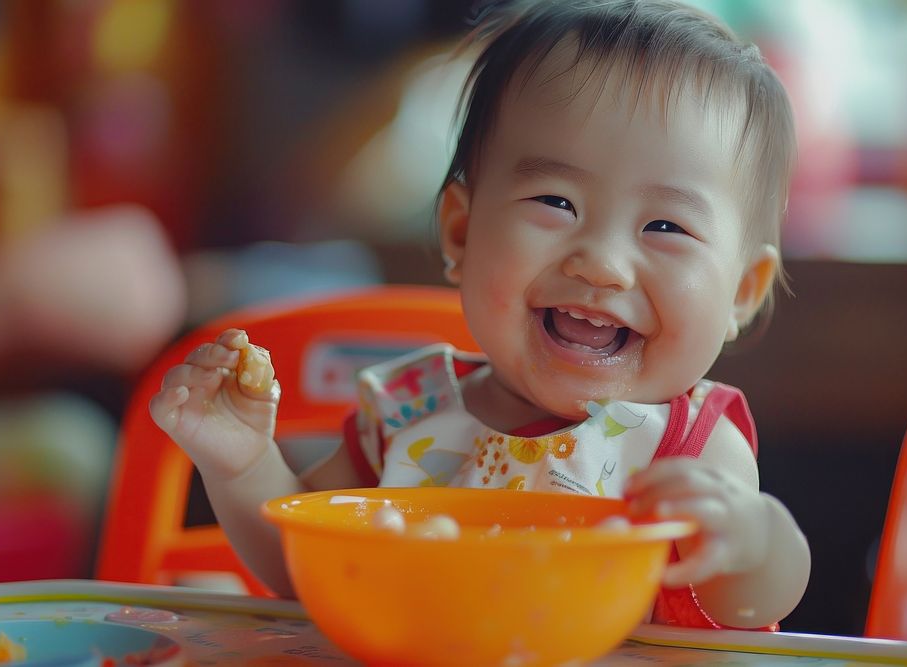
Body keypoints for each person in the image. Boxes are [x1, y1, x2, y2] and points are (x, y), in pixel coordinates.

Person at [150, 0, 810, 630]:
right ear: (461, 234)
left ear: (741, 293)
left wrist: (754, 540)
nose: (602, 262)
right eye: (556, 202)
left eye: (665, 225)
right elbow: (305, 565)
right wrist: (239, 464)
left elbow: (752, 603)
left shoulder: (690, 449)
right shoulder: (410, 416)